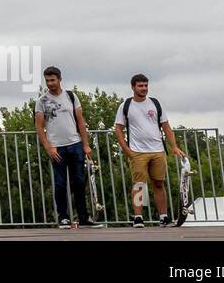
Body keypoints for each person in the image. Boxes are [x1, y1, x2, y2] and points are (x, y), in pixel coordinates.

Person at [113, 74, 186, 227]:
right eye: (140, 86)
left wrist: (174, 146)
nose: (144, 88)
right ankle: (138, 217)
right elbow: (118, 129)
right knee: (139, 184)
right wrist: (126, 149)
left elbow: (166, 126)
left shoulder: (155, 103)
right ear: (133, 87)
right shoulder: (126, 105)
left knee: (159, 183)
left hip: (158, 150)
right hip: (137, 151)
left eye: (146, 85)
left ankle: (164, 216)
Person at [34, 66, 101, 228]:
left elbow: (80, 121)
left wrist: (85, 144)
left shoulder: (71, 96)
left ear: (60, 79)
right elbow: (39, 127)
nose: (50, 83)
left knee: (78, 182)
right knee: (60, 183)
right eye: (47, 80)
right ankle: (63, 217)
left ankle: (84, 217)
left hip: (75, 144)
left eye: (53, 80)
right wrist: (49, 147)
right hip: (57, 147)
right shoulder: (41, 101)